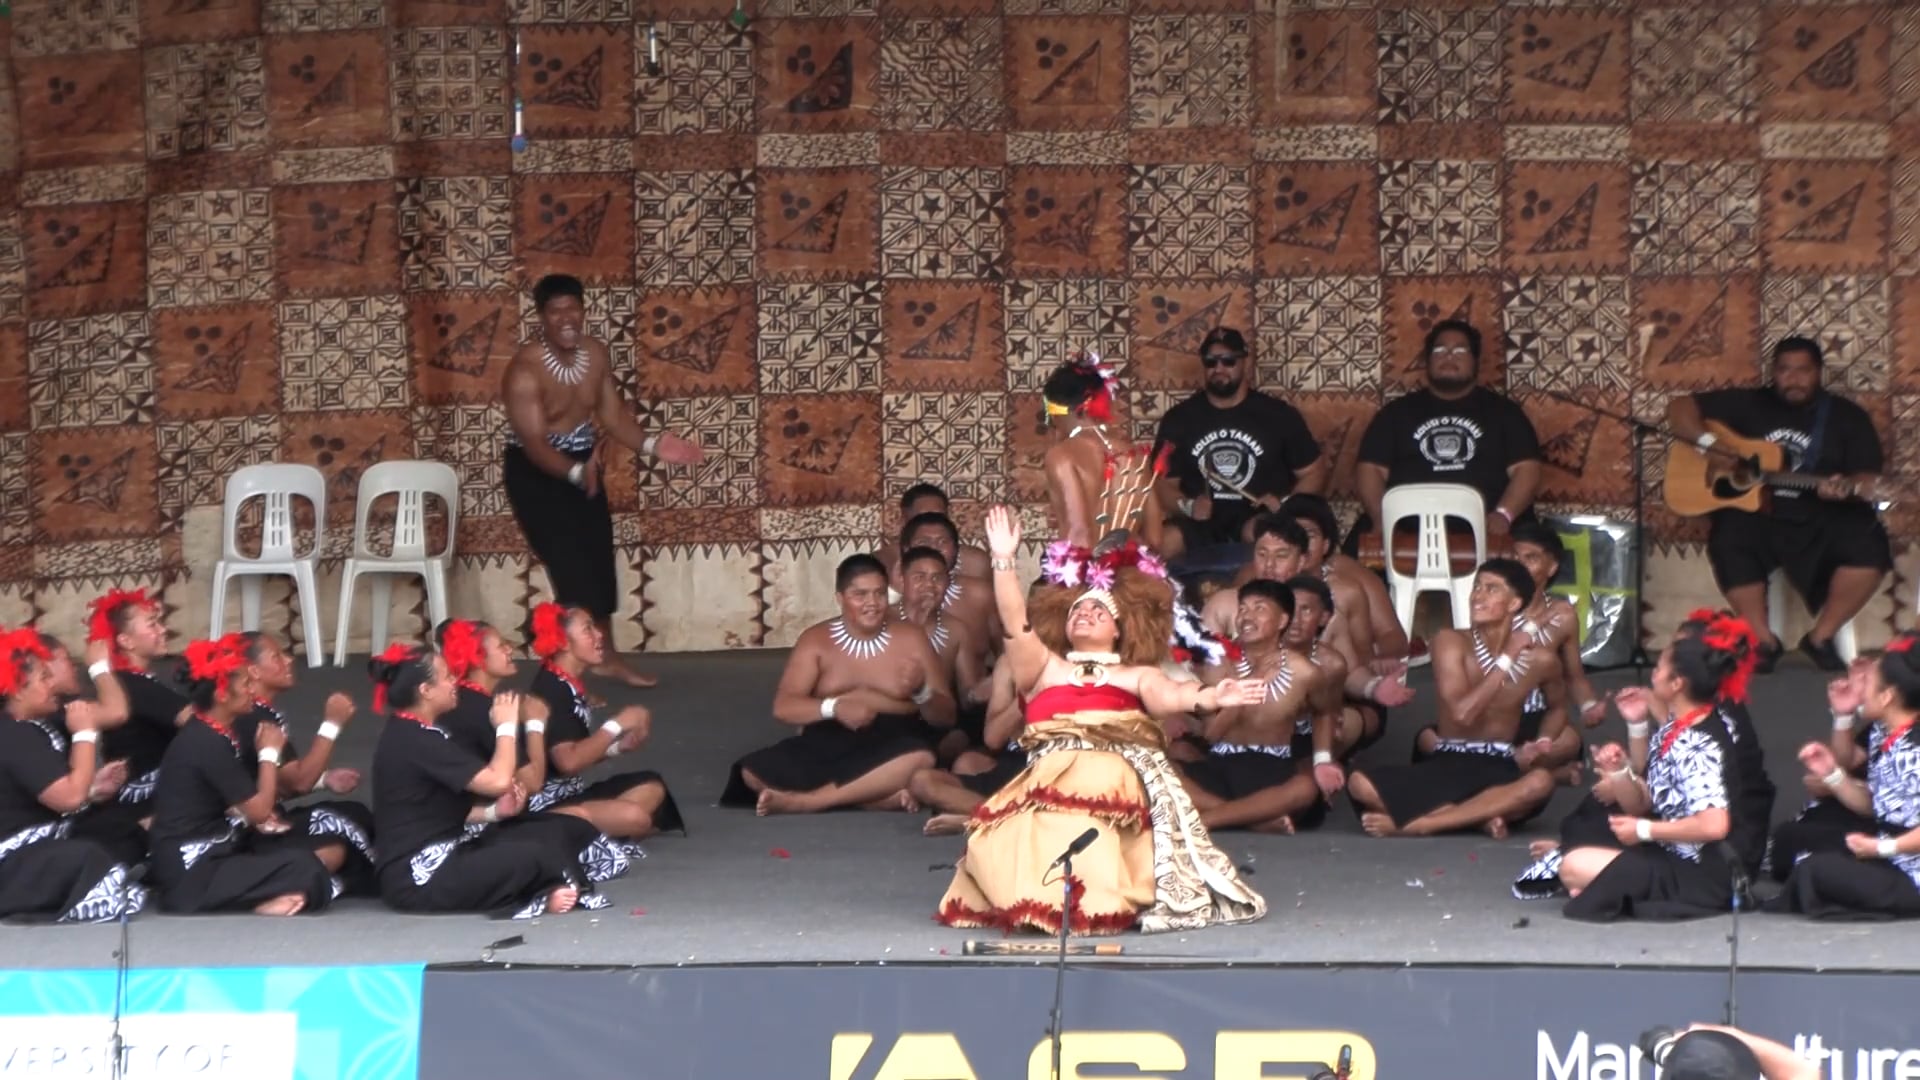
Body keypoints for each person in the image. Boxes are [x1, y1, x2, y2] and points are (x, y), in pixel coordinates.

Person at [936, 508, 1266, 935]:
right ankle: (1047, 902)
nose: (1085, 613)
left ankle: (1087, 902)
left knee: (1088, 815)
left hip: (1111, 773)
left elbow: (1173, 696)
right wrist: (1003, 560)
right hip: (1047, 778)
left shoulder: (1136, 675)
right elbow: (1015, 623)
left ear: (1120, 629)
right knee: (1001, 840)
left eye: (1098, 610)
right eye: (1077, 610)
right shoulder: (1042, 669)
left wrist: (1211, 697)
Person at [501, 272, 708, 689]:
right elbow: (537, 445)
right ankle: (564, 679)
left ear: (583, 310)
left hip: (583, 468)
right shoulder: (525, 369)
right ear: (541, 317)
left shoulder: (594, 353)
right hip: (537, 473)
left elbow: (612, 417)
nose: (566, 317)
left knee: (597, 566)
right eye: (556, 310)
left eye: (573, 308)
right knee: (571, 574)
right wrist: (579, 473)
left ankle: (606, 659)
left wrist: (653, 445)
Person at [1664, 336, 1891, 672]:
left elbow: (1869, 479)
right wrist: (1709, 445)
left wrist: (1845, 487)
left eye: (1803, 371)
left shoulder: (1846, 417)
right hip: (1759, 515)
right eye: (1785, 370)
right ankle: (1761, 642)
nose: (1794, 378)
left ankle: (1821, 638)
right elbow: (1678, 408)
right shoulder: (1748, 403)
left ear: (1819, 373)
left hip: (1821, 517)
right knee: (1729, 536)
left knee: (1871, 546)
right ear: (1774, 372)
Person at [1537, 612, 1761, 921]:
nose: (1652, 674)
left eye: (1659, 668)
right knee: (1580, 852)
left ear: (1677, 683)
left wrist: (1645, 830)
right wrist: (1618, 771)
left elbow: (1714, 825)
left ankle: (1613, 887)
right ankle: (1612, 885)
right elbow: (1642, 802)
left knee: (1573, 866)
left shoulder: (1700, 742)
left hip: (1704, 873)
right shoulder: (1674, 728)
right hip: (1673, 851)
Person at [369, 643, 605, 918]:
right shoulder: (414, 738)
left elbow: (433, 808)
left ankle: (547, 886)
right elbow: (498, 781)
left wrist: (494, 812)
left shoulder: (418, 731)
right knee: (533, 854)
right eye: (446, 677)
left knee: (555, 830)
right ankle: (541, 896)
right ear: (426, 691)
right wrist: (505, 725)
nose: (454, 681)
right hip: (419, 876)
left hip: (450, 851)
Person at [1346, 559, 1561, 839]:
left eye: (1492, 589)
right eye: (1477, 587)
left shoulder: (1541, 661)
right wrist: (1507, 658)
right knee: (1359, 783)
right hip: (1447, 761)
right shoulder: (1448, 641)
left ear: (1514, 604)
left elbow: (1558, 708)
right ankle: (1476, 817)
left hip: (1499, 767)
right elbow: (1462, 714)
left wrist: (1544, 739)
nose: (1478, 596)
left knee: (1541, 782)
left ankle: (1425, 824)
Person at [722, 555, 950, 815]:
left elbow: (946, 717)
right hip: (830, 737)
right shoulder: (815, 641)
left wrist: (921, 691)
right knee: (750, 772)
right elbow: (784, 707)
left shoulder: (911, 638)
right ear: (840, 598)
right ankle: (871, 798)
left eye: (879, 594)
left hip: (894, 740)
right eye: (860, 595)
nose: (872, 604)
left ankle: (812, 802)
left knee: (921, 758)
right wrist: (834, 708)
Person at [435, 618, 642, 884]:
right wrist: (535, 724)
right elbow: (533, 782)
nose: (510, 650)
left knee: (636, 799)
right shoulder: (487, 710)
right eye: (501, 646)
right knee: (597, 830)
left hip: (489, 811)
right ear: (477, 659)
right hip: (483, 823)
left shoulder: (473, 700)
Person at [149, 636, 336, 916]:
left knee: (302, 856)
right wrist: (269, 754)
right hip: (191, 872)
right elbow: (259, 811)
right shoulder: (206, 742)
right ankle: (259, 902)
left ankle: (268, 895)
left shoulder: (215, 733)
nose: (252, 691)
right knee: (304, 867)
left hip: (215, 850)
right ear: (222, 695)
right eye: (246, 685)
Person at [1413, 522, 1590, 780]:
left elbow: (1569, 684)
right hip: (1475, 723)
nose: (1478, 597)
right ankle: (1534, 774)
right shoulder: (1483, 619)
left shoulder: (1561, 617)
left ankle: (1510, 770)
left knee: (1569, 740)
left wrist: (1587, 707)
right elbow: (1463, 711)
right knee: (1428, 740)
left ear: (1551, 568)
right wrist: (1525, 636)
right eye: (1515, 557)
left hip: (1526, 717)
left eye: (1531, 558)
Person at [1352, 319, 1541, 548]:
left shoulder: (1505, 413)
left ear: (1476, 361)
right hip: (1408, 529)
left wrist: (1503, 515)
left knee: (1533, 550)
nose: (1448, 356)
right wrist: (1381, 517)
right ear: (1428, 361)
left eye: (1460, 349)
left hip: (1487, 527)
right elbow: (1370, 469)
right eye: (1439, 349)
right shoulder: (1395, 413)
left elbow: (1527, 470)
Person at [0, 628, 146, 923]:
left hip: (44, 840)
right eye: (43, 678)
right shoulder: (12, 735)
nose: (52, 682)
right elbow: (69, 798)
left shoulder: (34, 723)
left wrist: (92, 789)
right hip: (10, 862)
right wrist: (84, 733)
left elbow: (46, 795)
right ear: (17, 690)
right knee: (85, 856)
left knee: (121, 834)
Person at [1769, 634, 1920, 919]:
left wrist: (1882, 848)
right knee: (1804, 855)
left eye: (1868, 685)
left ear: (1887, 696)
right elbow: (1873, 804)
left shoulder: (1915, 750)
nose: (1860, 691)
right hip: (1892, 858)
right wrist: (1833, 774)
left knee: (1814, 869)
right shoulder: (1887, 735)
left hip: (1912, 874)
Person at [1152, 326, 1326, 560]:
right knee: (1163, 542)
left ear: (1245, 362)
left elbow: (1314, 472)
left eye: (1228, 361)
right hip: (1201, 522)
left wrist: (1284, 505)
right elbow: (1162, 483)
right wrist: (1188, 507)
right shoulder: (1179, 419)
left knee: (1258, 535)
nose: (1219, 369)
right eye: (1211, 362)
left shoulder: (1278, 415)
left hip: (1257, 519)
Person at [1179, 580, 1338, 833]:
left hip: (1270, 768)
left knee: (1305, 788)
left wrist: (1323, 759)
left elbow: (1325, 711)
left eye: (1259, 609)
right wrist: (1252, 681)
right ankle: (1254, 819)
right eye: (1242, 609)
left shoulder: (1305, 672)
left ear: (1283, 620)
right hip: (1221, 763)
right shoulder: (1219, 664)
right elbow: (1211, 734)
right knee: (1163, 772)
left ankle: (1209, 818)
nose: (1247, 617)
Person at [523, 603, 684, 839]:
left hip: (569, 795)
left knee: (652, 785)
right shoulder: (552, 691)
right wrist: (617, 724)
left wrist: (617, 748)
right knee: (635, 818)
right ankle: (571, 829)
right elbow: (568, 761)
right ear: (563, 642)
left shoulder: (564, 682)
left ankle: (592, 828)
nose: (600, 634)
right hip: (544, 806)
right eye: (588, 630)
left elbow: (568, 756)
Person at [233, 633, 377, 895]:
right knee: (338, 837)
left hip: (266, 821)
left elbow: (282, 781)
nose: (289, 660)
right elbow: (299, 782)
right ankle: (283, 883)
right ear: (253, 671)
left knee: (354, 814)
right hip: (245, 834)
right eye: (277, 656)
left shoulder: (259, 713)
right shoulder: (254, 717)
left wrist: (325, 780)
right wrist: (332, 724)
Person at [893, 546, 991, 759]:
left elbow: (966, 698)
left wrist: (983, 690)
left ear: (947, 584)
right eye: (919, 577)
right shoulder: (883, 621)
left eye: (937, 578)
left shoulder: (956, 629)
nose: (929, 585)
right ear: (902, 580)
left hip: (939, 718)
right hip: (891, 716)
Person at [910, 661, 1025, 836]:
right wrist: (1027, 699)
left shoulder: (1069, 669)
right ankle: (995, 817)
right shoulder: (1007, 664)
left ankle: (982, 818)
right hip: (1010, 763)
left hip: (1046, 767)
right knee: (923, 781)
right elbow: (992, 740)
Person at [892, 512, 1000, 654]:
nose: (934, 548)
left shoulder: (980, 595)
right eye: (923, 542)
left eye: (942, 542)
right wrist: (895, 593)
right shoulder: (887, 595)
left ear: (956, 549)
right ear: (906, 549)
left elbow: (1005, 650)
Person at [876, 483, 990, 580]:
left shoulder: (977, 563)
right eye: (923, 517)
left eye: (939, 516)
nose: (932, 522)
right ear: (903, 521)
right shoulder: (883, 563)